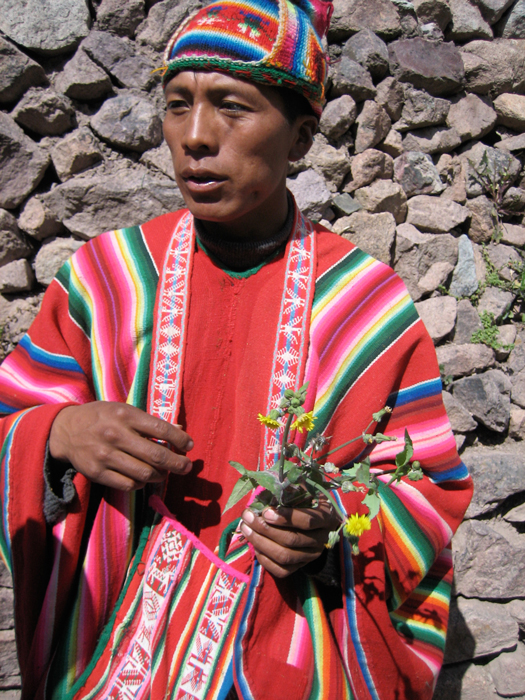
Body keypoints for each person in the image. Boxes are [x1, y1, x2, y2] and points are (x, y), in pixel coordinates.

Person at [0, 1, 473, 698]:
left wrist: (331, 526)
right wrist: (61, 433)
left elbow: (424, 485)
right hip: (112, 652)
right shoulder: (105, 282)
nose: (194, 136)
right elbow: (14, 420)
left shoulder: (362, 305)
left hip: (288, 651)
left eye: (231, 106)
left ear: (302, 138)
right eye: (176, 105)